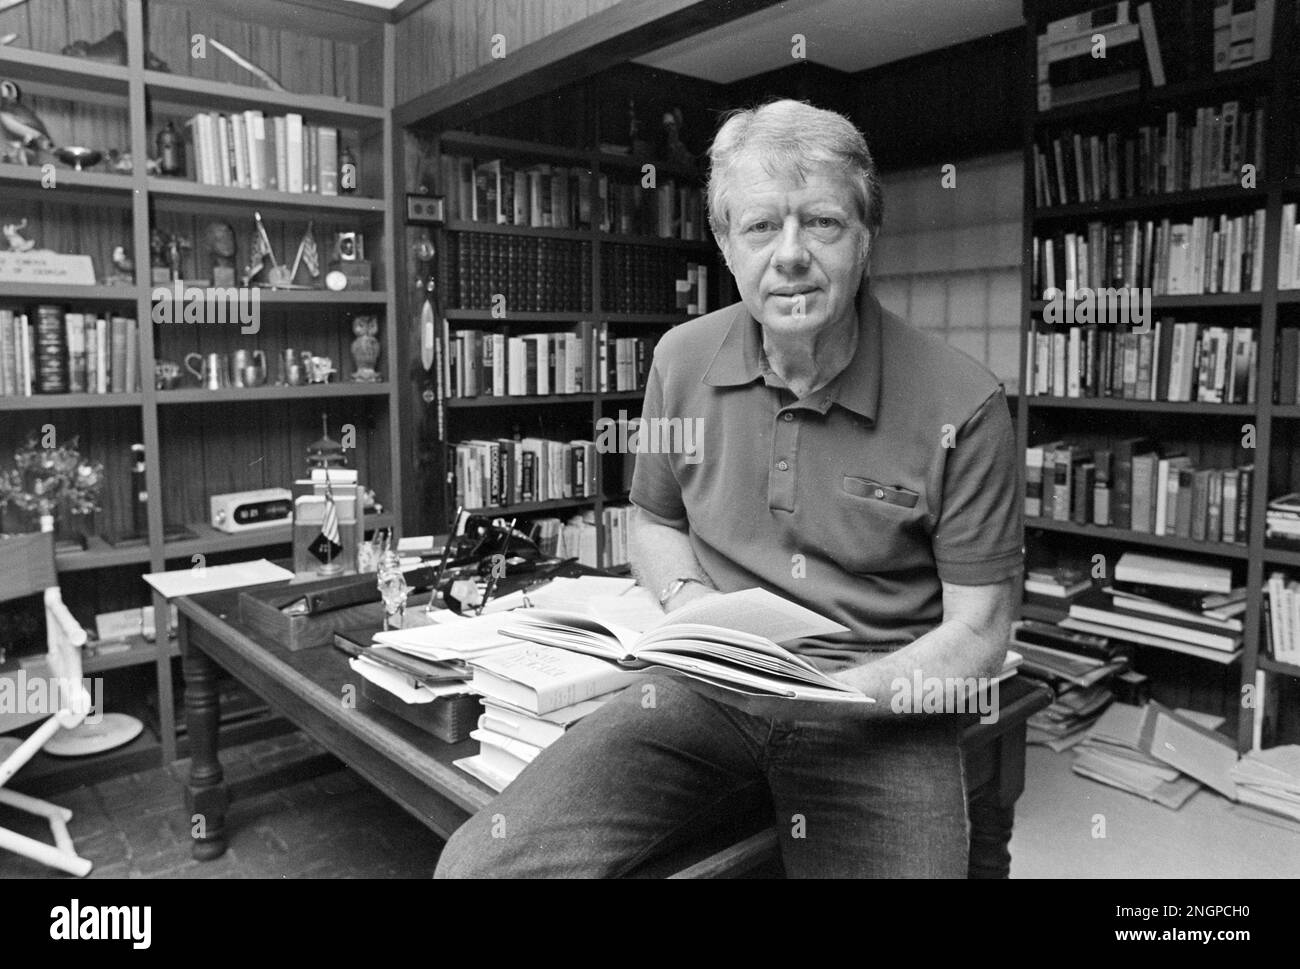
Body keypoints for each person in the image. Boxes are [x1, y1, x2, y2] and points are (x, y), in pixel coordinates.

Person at [435, 99, 1021, 878]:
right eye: (759, 227)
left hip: (876, 700)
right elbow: (654, 518)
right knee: (480, 867)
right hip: (713, 682)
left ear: (867, 235)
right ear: (723, 242)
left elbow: (979, 634)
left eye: (821, 222)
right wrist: (690, 610)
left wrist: (839, 693)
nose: (790, 255)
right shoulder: (680, 360)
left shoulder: (966, 402)